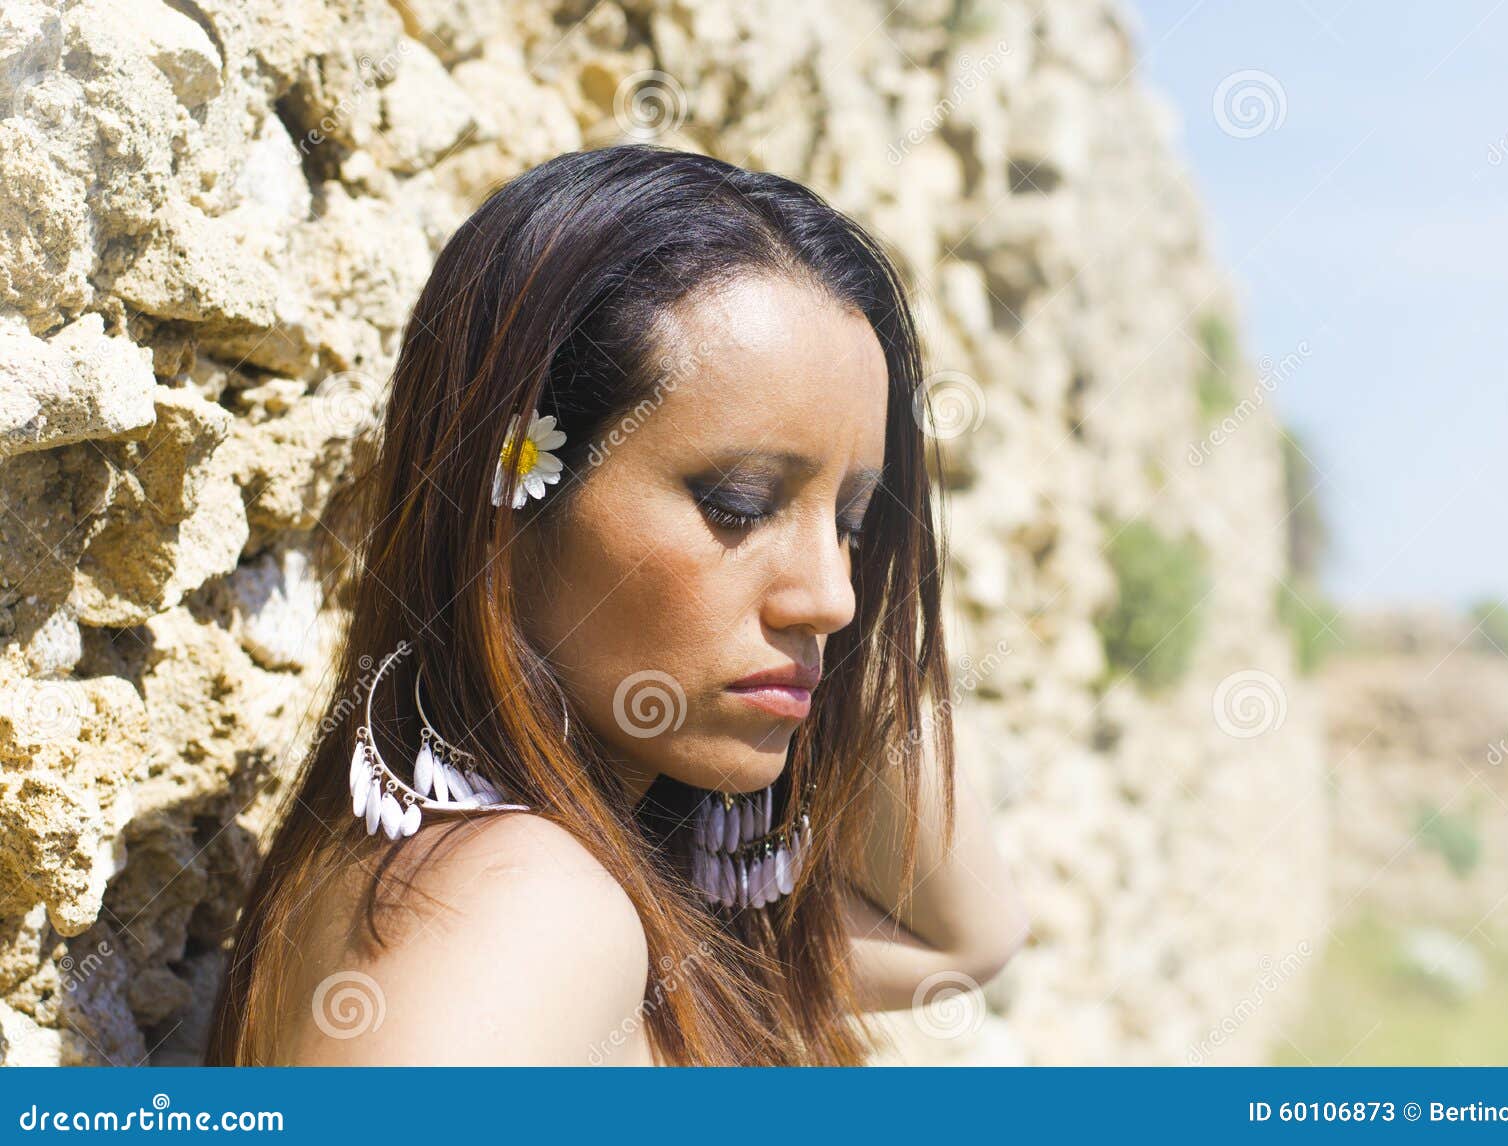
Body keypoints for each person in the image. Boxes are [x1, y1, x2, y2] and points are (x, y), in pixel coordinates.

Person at [203, 143, 1028, 1066]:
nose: (835, 596)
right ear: (510, 490)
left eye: (853, 522)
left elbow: (967, 936)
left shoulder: (550, 889)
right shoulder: (526, 907)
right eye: (740, 503)